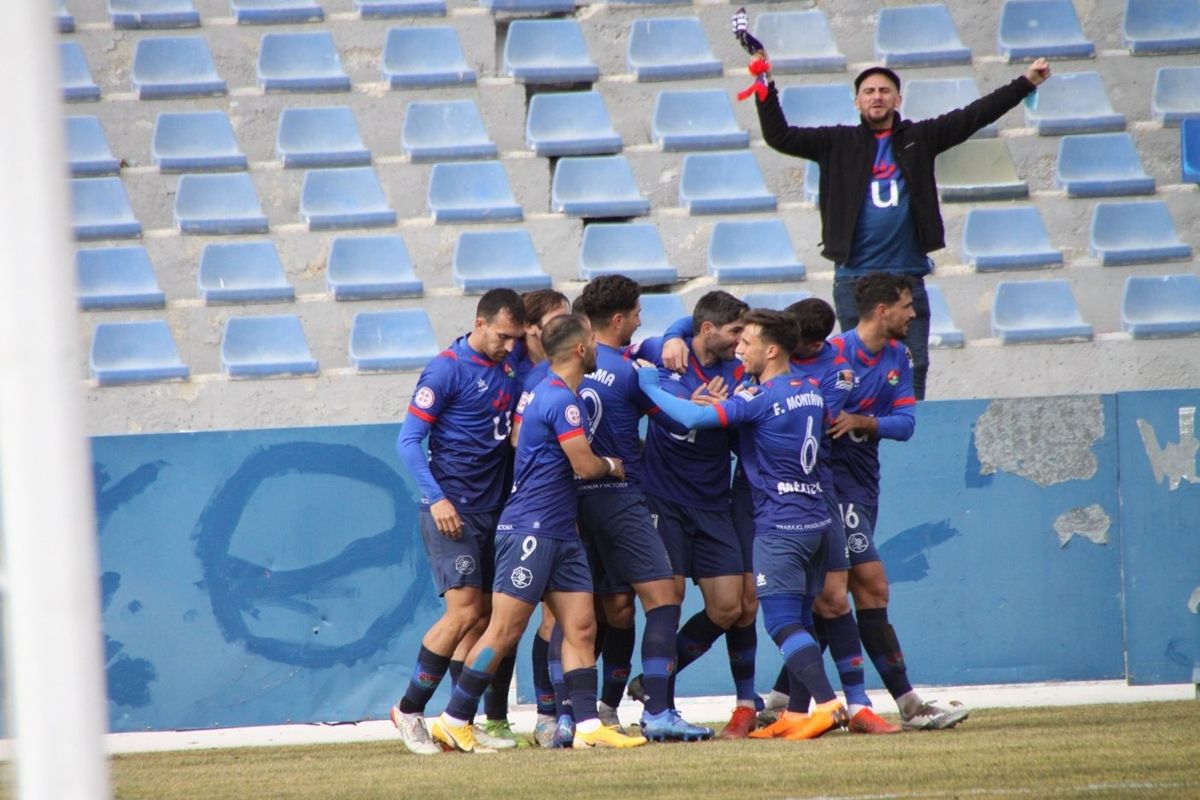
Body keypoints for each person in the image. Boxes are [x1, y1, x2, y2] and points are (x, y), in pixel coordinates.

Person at [752, 56, 1052, 400]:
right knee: (856, 368)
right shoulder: (836, 142)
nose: (876, 97)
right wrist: (764, 85)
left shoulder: (920, 137)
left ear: (898, 99)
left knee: (914, 363)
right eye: (868, 92)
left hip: (905, 277)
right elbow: (779, 136)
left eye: (884, 91)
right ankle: (860, 426)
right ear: (857, 101)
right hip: (854, 277)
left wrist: (1026, 82)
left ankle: (911, 421)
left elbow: (974, 115)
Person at [429, 314, 647, 753]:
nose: (597, 348)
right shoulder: (559, 399)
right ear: (581, 349)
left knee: (581, 625)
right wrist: (612, 464)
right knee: (504, 630)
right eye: (592, 341)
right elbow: (585, 466)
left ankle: (588, 726)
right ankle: (453, 718)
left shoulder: (556, 393)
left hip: (561, 530)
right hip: (532, 529)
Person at [636, 310, 850, 741]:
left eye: (747, 343)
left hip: (778, 524)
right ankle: (796, 714)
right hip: (816, 519)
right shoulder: (811, 391)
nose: (739, 350)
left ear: (770, 351)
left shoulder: (760, 398)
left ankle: (828, 704)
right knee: (802, 618)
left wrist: (650, 387)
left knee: (781, 624)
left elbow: (695, 419)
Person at [572, 275, 713, 742]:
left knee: (582, 611)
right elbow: (675, 421)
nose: (638, 321)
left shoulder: (564, 367)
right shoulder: (629, 372)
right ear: (618, 320)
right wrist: (689, 401)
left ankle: (566, 715)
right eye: (635, 314)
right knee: (663, 598)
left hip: (570, 501)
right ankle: (658, 711)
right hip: (619, 496)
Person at [391, 289, 527, 755]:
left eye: (516, 338)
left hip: (495, 511)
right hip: (453, 510)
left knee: (484, 617)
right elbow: (408, 441)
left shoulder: (509, 363)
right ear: (480, 323)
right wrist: (437, 498)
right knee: (464, 612)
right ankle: (409, 710)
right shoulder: (446, 369)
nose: (509, 346)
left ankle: (458, 721)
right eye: (503, 336)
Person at [830, 272, 968, 731]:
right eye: (907, 306)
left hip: (865, 486)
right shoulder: (833, 354)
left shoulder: (898, 356)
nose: (914, 313)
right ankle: (908, 704)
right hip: (833, 490)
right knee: (868, 589)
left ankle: (779, 700)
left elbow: (906, 424)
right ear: (882, 309)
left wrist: (863, 422)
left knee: (833, 598)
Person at [625, 291, 765, 739]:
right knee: (668, 600)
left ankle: (649, 684)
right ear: (707, 329)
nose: (740, 341)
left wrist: (714, 411)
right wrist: (673, 341)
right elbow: (626, 361)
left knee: (730, 607)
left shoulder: (740, 369)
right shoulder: (662, 352)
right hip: (663, 500)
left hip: (713, 501)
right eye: (734, 332)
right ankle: (660, 707)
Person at [760, 298, 901, 735]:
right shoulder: (771, 371)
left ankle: (853, 704)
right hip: (781, 498)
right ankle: (798, 710)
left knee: (831, 601)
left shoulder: (835, 372)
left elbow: (817, 420)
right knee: (809, 605)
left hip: (819, 498)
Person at [514, 288, 572, 747]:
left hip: (562, 507)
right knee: (501, 621)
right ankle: (475, 715)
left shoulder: (559, 373)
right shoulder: (526, 377)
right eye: (557, 318)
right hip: (524, 511)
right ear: (531, 328)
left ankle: (555, 714)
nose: (565, 325)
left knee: (561, 617)